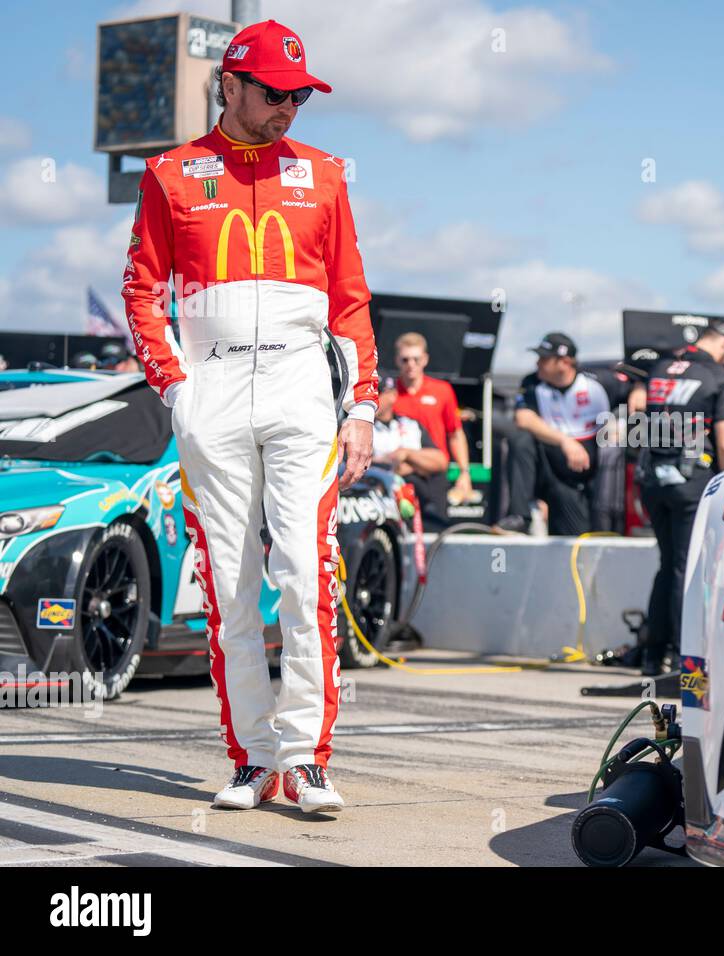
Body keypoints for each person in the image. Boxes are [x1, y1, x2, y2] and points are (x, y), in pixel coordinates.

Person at [121, 19, 378, 814]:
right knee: (230, 588)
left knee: (306, 574)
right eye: (274, 93)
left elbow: (351, 300)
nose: (289, 109)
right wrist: (176, 390)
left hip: (304, 388)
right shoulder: (170, 173)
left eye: (300, 95)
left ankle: (305, 759)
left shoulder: (327, 175)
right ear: (230, 84)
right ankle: (251, 758)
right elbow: (141, 291)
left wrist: (363, 404)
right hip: (214, 393)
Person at [638, 319, 724, 675]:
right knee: (690, 567)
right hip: (693, 482)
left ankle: (654, 654)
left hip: (653, 480)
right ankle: (686, 658)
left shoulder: (661, 368)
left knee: (668, 563)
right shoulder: (721, 380)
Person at [495, 332, 644, 535]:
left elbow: (638, 379)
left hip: (575, 479)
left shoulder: (600, 382)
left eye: (544, 358)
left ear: (564, 362)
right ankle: (519, 516)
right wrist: (565, 441)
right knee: (520, 438)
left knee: (575, 545)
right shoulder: (532, 383)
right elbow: (524, 418)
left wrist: (639, 389)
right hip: (544, 467)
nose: (538, 363)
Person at [392, 332, 471, 523]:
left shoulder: (442, 390)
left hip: (434, 473)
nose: (411, 364)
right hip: (402, 474)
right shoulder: (389, 395)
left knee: (436, 529)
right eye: (405, 359)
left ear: (425, 359)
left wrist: (464, 472)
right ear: (397, 360)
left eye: (416, 359)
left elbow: (455, 433)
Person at [372, 377, 449, 522]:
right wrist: (393, 464)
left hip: (416, 499)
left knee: (435, 479)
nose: (372, 397)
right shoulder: (358, 427)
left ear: (393, 395)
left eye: (377, 392)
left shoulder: (411, 425)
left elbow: (440, 461)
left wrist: (406, 455)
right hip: (378, 500)